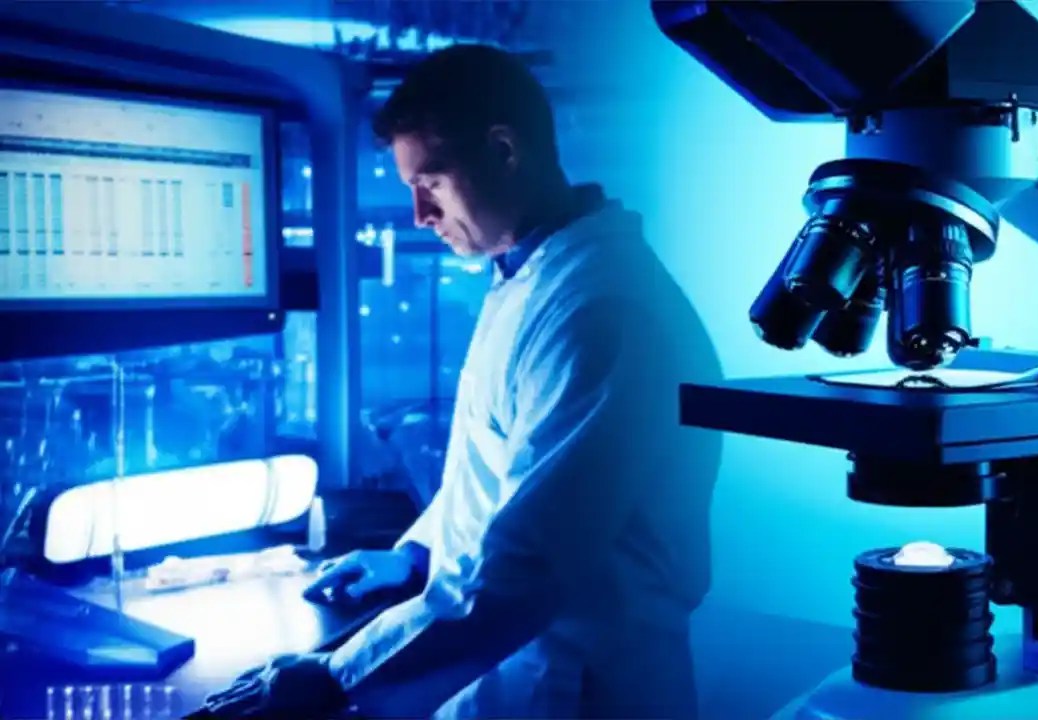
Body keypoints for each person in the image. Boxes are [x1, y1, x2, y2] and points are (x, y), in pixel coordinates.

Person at [197, 43, 723, 719]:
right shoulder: (532, 274)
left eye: (432, 183)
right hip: (520, 667)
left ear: (505, 150)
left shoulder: (600, 310)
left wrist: (332, 678)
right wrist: (414, 555)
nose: (418, 214)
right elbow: (499, 469)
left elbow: (526, 568)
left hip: (576, 685)